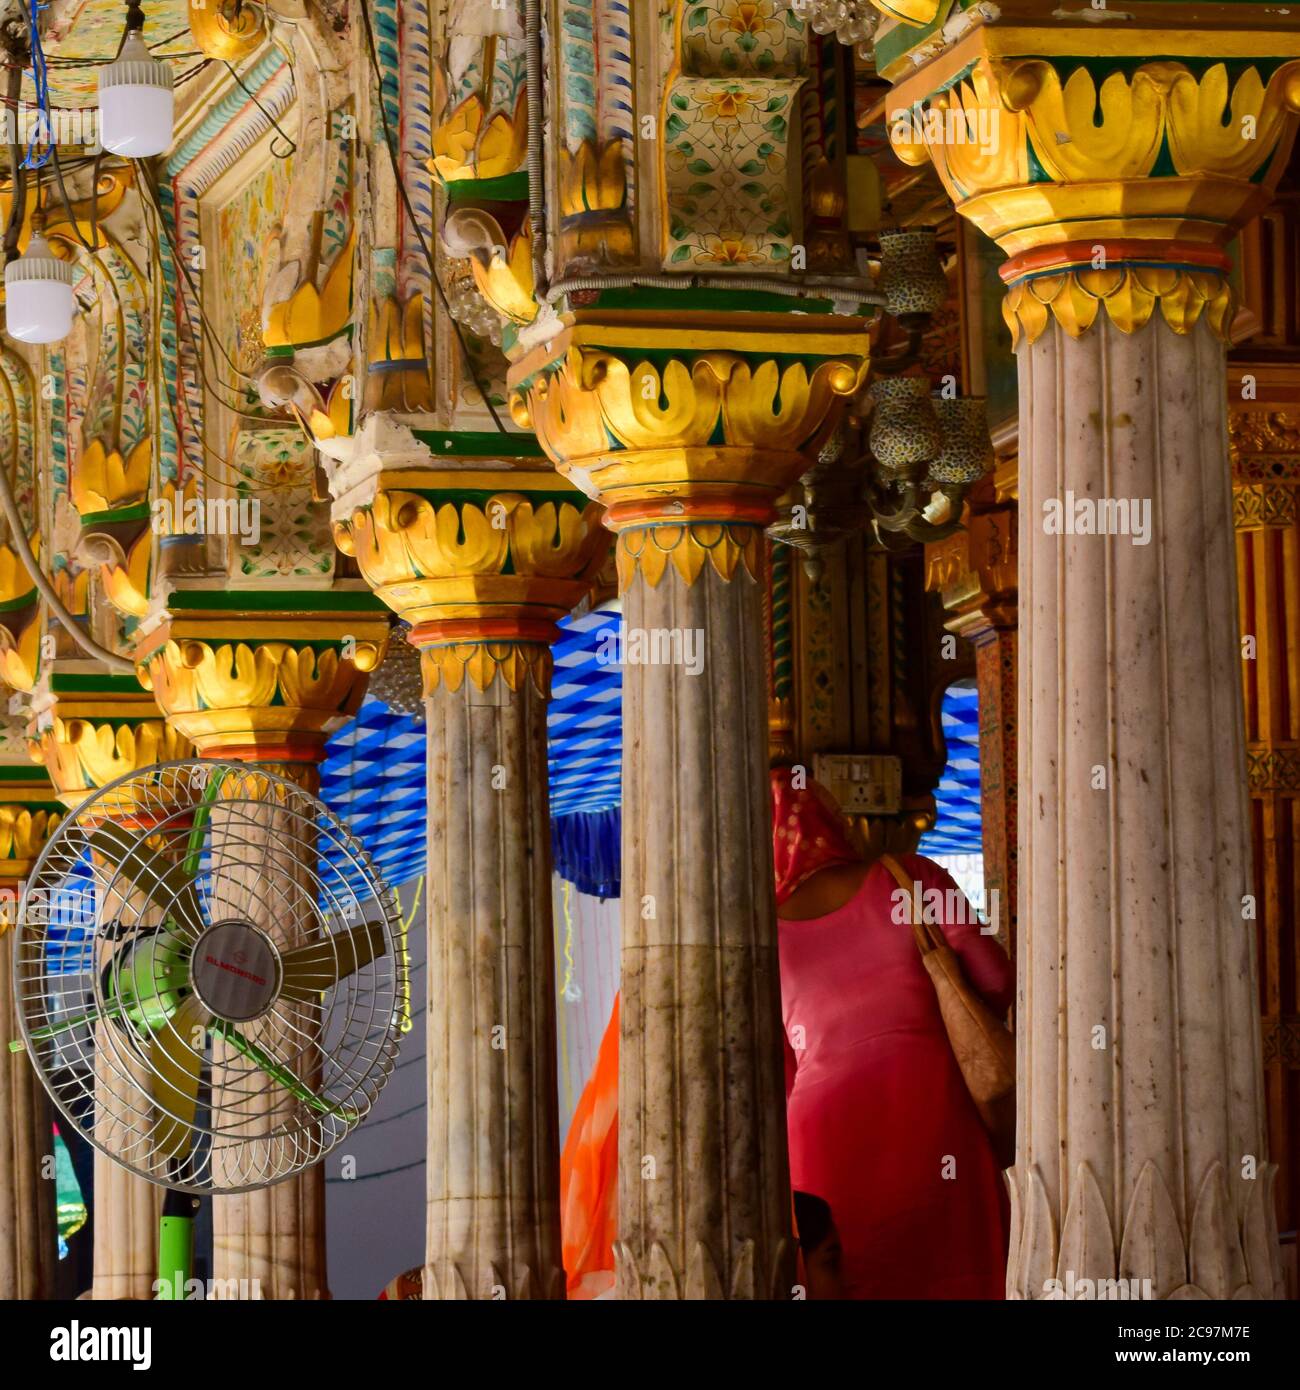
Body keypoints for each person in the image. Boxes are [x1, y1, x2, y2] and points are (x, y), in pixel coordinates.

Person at [773, 766, 1013, 1298]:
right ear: (829, 821)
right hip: (933, 1120)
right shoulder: (914, 876)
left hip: (821, 1144)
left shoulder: (762, 937)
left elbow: (778, 1077)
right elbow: (997, 978)